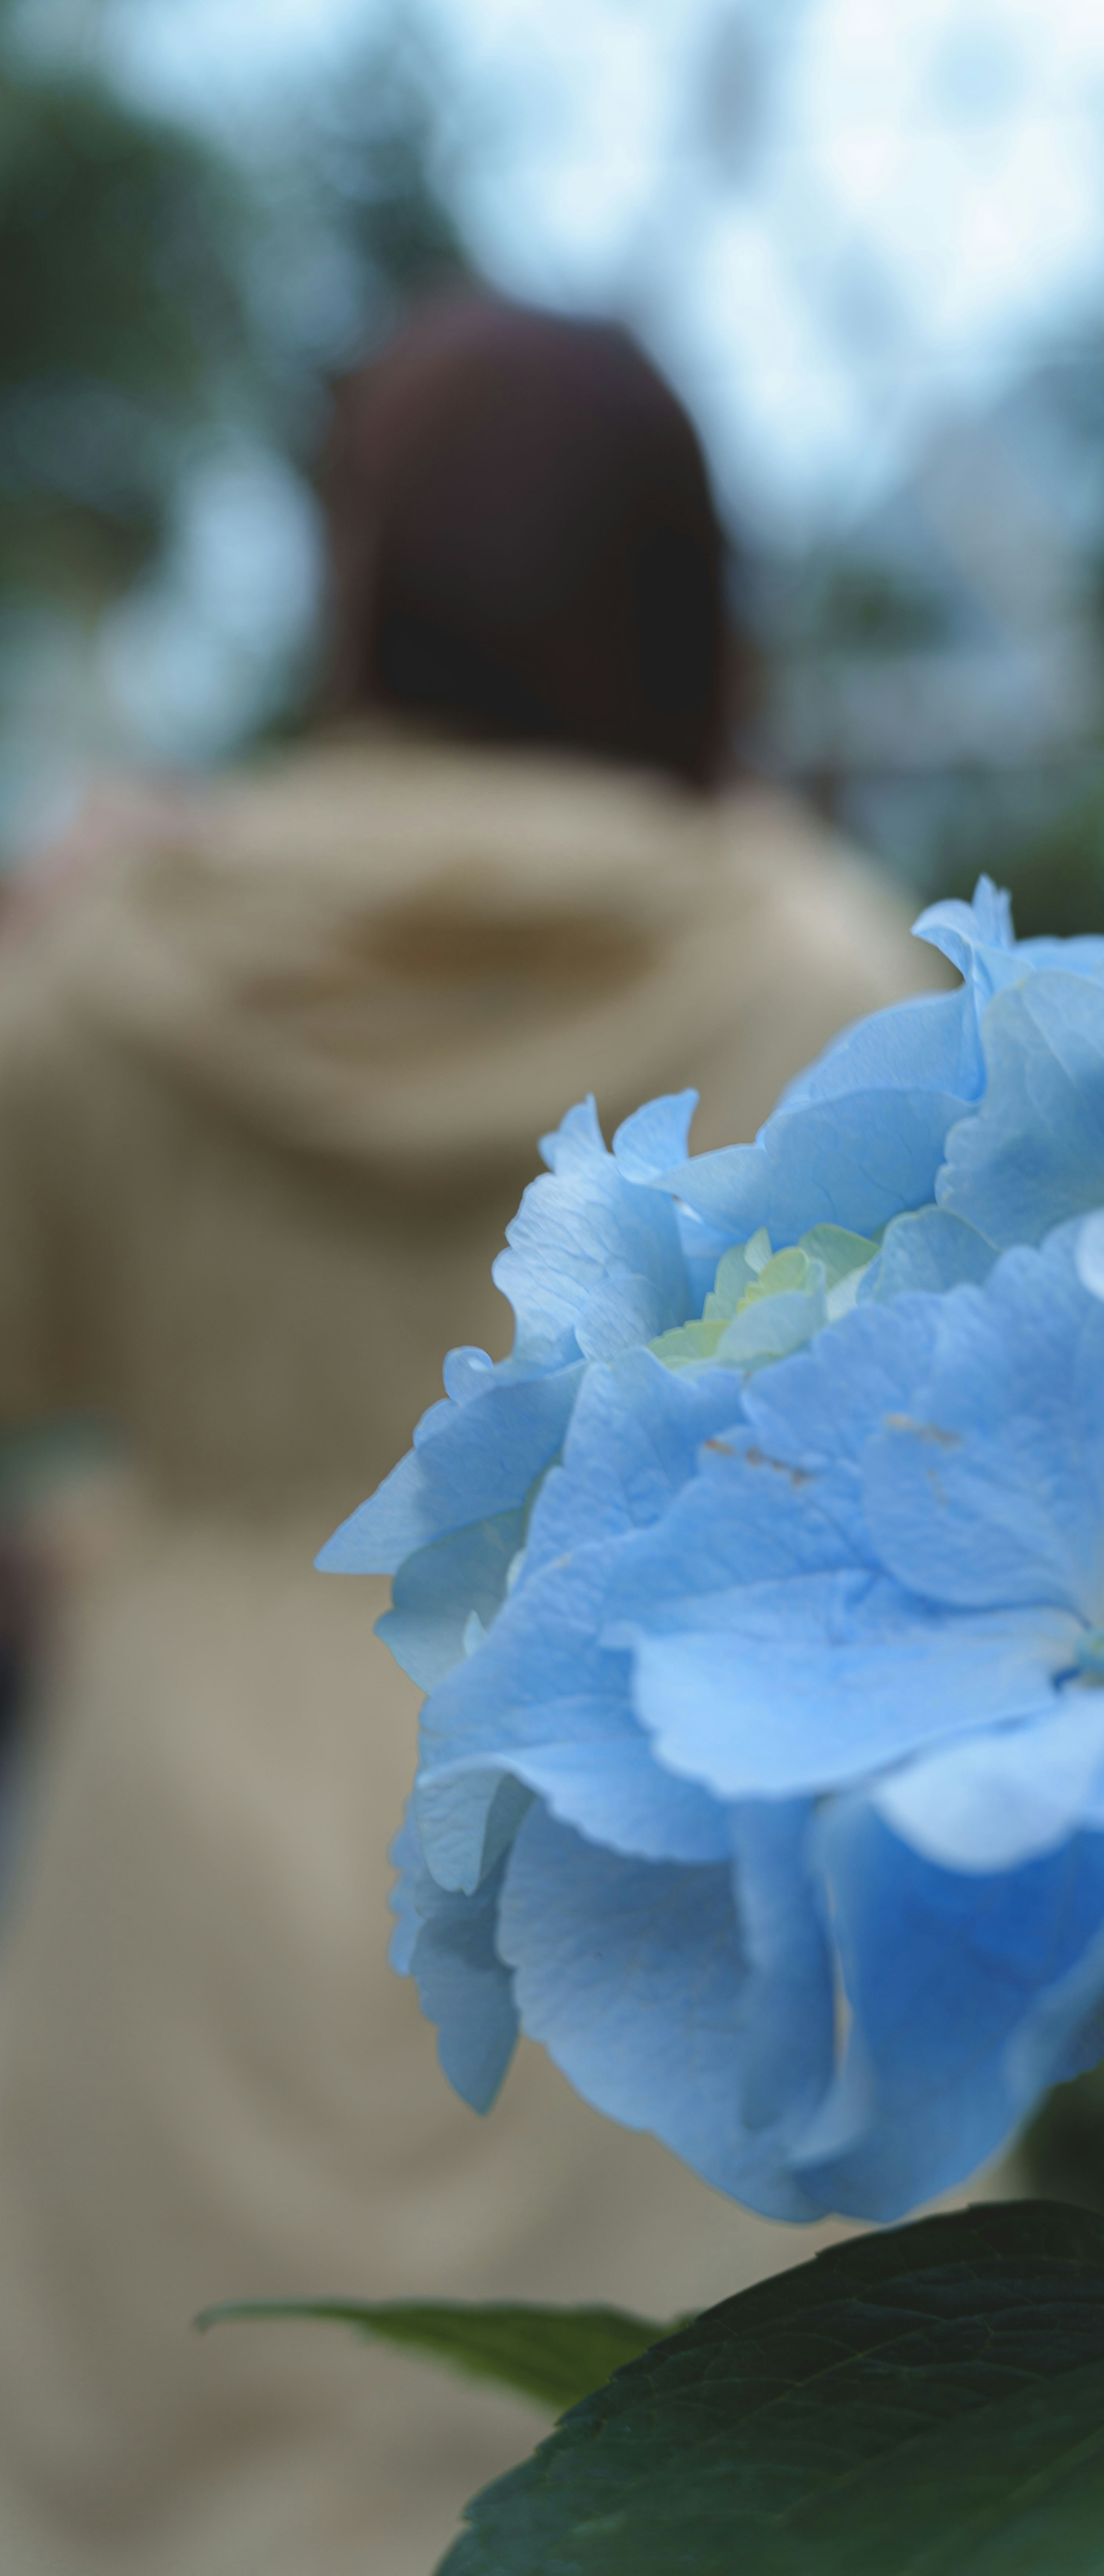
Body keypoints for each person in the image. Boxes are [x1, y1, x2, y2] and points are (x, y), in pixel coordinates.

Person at [0, 296, 950, 2576]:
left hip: (185, 1878)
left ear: (361, 581)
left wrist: (132, 1538)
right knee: (697, 2485)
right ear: (685, 598)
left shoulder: (122, 959)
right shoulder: (830, 975)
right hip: (667, 1853)